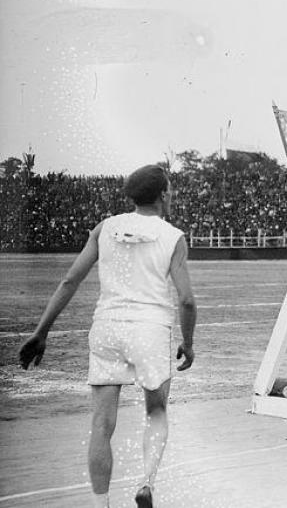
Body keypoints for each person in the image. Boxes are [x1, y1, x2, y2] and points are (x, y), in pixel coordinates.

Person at [18, 164, 197, 508]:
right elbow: (187, 299)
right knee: (157, 411)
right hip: (150, 328)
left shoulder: (105, 227)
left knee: (101, 424)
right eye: (170, 190)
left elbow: (70, 280)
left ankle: (101, 505)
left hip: (107, 328)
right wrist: (188, 344)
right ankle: (146, 483)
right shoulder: (172, 236)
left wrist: (41, 331)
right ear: (163, 194)